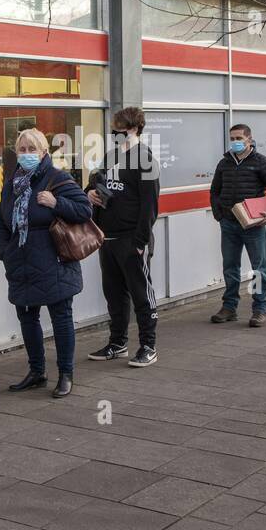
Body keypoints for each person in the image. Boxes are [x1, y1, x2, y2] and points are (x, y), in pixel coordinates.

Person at [0, 128, 93, 398]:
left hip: (54, 262)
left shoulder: (57, 178)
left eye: (32, 149)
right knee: (27, 318)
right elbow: (1, 221)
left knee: (61, 317)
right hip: (21, 263)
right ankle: (37, 371)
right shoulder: (12, 183)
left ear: (44, 153)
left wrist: (56, 202)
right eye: (22, 150)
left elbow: (85, 209)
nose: (26, 155)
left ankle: (65, 374)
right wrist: (5, 251)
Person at [86, 107, 161, 368]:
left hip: (132, 239)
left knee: (141, 293)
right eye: (114, 129)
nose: (116, 134)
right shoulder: (110, 156)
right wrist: (90, 194)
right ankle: (117, 343)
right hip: (107, 238)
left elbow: (150, 206)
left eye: (122, 130)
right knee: (113, 294)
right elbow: (94, 183)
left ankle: (148, 345)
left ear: (135, 129)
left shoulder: (146, 160)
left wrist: (140, 243)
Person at [209, 123, 266, 328]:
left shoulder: (262, 163)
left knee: (257, 269)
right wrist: (219, 215)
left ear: (249, 140)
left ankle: (259, 309)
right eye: (232, 138)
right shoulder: (224, 164)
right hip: (228, 224)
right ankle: (229, 307)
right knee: (230, 267)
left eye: (239, 139)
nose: (235, 142)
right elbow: (214, 191)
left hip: (253, 225)